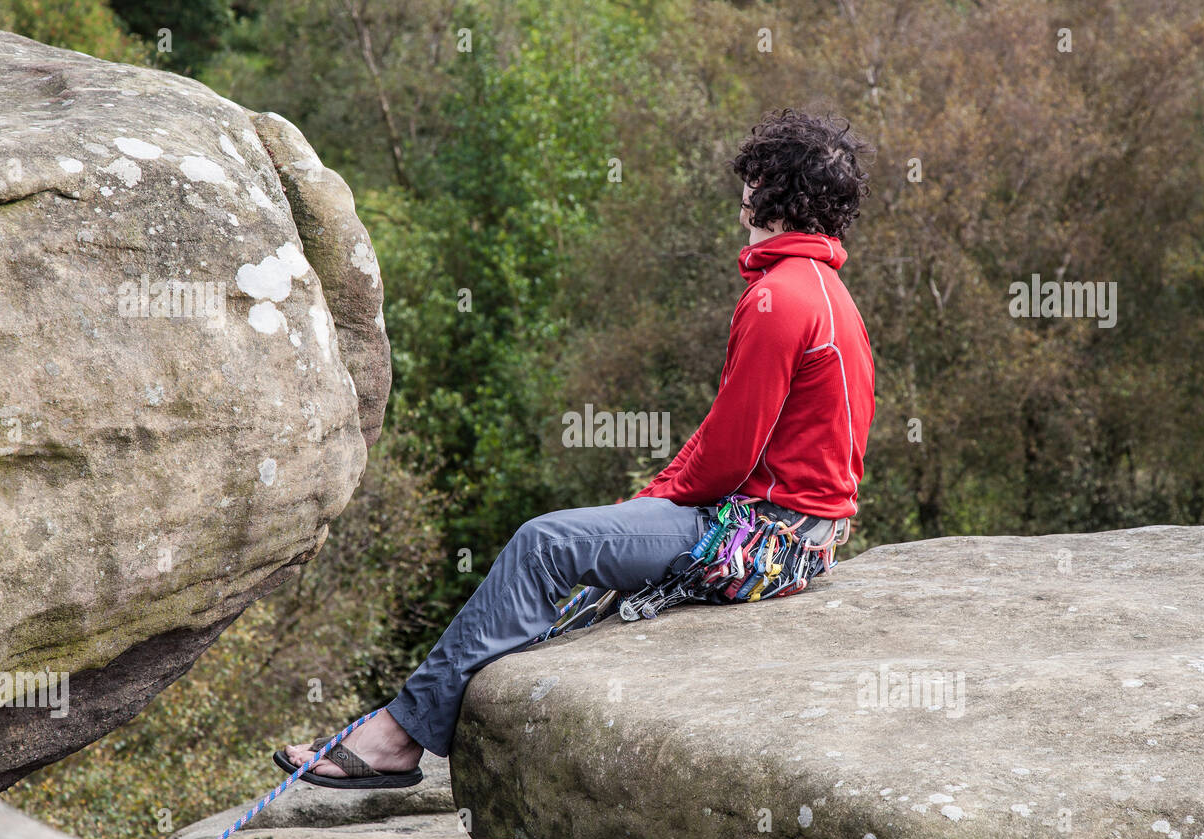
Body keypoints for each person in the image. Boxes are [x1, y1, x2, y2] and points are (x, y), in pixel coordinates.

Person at [277, 108, 876, 788]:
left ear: (776, 193)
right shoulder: (824, 292)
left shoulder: (779, 300)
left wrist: (651, 501)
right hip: (802, 536)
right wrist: (648, 506)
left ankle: (394, 739)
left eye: (757, 176)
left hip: (762, 536)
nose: (744, 189)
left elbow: (729, 457)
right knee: (576, 556)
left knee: (546, 543)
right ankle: (411, 725)